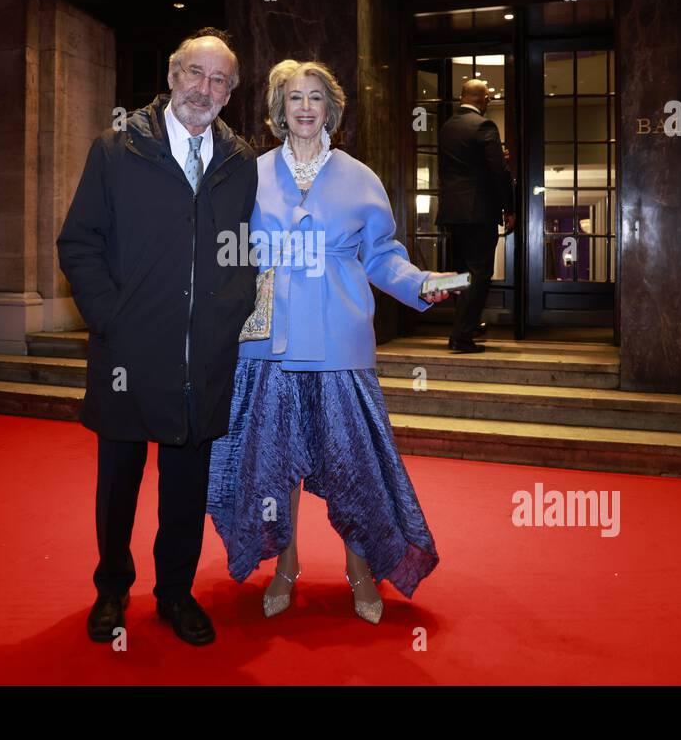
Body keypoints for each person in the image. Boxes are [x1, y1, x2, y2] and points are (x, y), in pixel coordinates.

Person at [206, 59, 446, 625]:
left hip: (340, 343)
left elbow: (382, 257)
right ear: (278, 110)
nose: (306, 107)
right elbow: (230, 251)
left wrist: (421, 284)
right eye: (295, 98)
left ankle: (361, 573)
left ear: (331, 108)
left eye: (316, 97)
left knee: (351, 467)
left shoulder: (360, 177)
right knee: (275, 467)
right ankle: (285, 570)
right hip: (270, 345)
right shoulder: (251, 173)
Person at [57, 29, 258, 646]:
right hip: (127, 351)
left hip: (204, 355)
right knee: (118, 480)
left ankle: (175, 592)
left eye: (219, 79)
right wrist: (111, 318)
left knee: (186, 486)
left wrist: (230, 314)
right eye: (195, 73)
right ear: (172, 76)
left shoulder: (240, 162)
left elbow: (243, 250)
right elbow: (79, 242)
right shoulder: (116, 149)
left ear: (229, 94)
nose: (205, 88)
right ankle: (112, 588)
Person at [435, 79, 516, 352]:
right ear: (485, 100)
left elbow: (463, 166)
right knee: (479, 272)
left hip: (452, 211)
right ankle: (462, 335)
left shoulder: (447, 127)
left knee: (460, 274)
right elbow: (499, 172)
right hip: (479, 211)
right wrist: (510, 208)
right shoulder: (484, 126)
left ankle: (465, 324)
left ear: (461, 98)